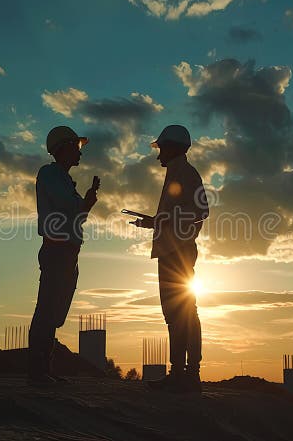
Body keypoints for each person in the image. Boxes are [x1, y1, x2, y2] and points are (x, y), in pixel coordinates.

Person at [131, 125, 209, 393]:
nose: (158, 155)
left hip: (178, 252)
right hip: (171, 251)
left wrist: (161, 220)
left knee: (184, 312)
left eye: (162, 148)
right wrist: (154, 222)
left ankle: (188, 374)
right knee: (176, 314)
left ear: (174, 147)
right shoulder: (178, 173)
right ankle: (181, 373)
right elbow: (179, 215)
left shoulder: (186, 173)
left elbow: (200, 211)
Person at [28, 126, 100, 384]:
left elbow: (76, 216)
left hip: (68, 250)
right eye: (76, 147)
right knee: (48, 309)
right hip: (56, 249)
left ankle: (44, 368)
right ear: (63, 148)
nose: (80, 152)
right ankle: (38, 370)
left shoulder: (64, 180)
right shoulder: (49, 174)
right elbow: (67, 206)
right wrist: (82, 203)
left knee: (56, 310)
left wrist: (88, 203)